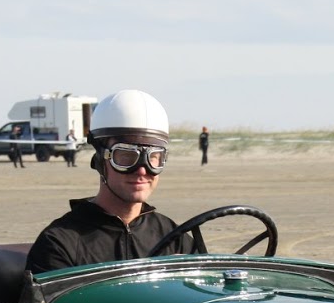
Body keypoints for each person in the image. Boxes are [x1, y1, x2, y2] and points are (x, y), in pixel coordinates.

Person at [26, 89, 205, 274]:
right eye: (126, 156)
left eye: (153, 157)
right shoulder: (60, 243)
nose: (142, 170)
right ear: (100, 160)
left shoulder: (174, 237)